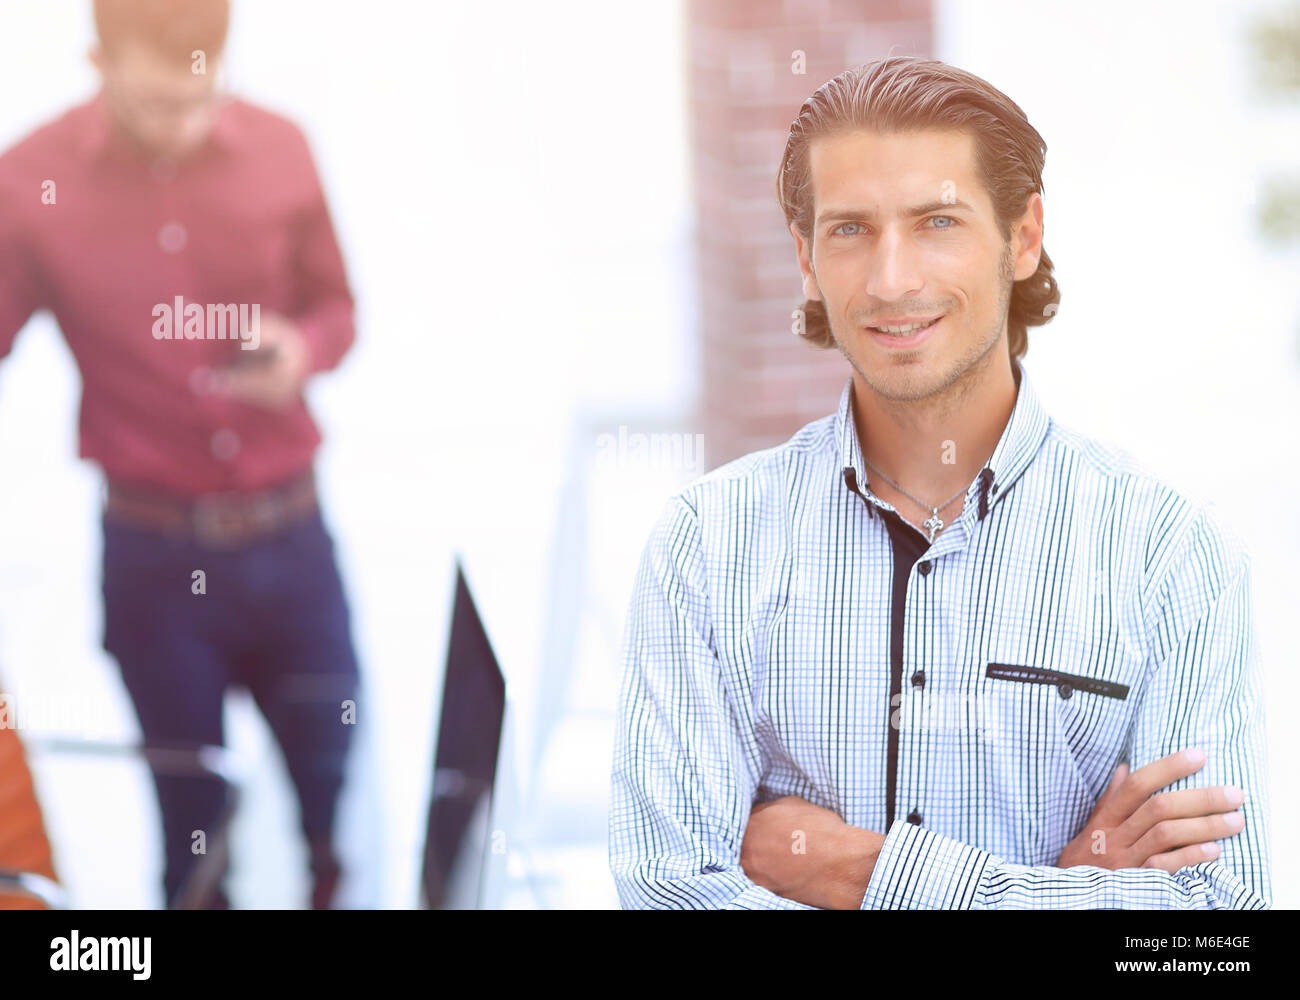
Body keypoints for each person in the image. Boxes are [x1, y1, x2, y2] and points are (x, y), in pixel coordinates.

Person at [609, 56, 1271, 909]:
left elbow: (1209, 932)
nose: (892, 281)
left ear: (1024, 237)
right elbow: (668, 893)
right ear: (806, 260)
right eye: (850, 230)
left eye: (936, 222)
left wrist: (860, 872)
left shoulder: (1173, 559)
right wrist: (1063, 887)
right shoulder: (706, 547)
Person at [0, 0, 361, 908]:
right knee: (193, 843)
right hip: (154, 562)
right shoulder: (30, 180)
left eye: (203, 97)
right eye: (161, 104)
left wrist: (303, 352)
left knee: (335, 815)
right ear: (98, 60)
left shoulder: (284, 146)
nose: (186, 123)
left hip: (294, 540)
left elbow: (340, 310)